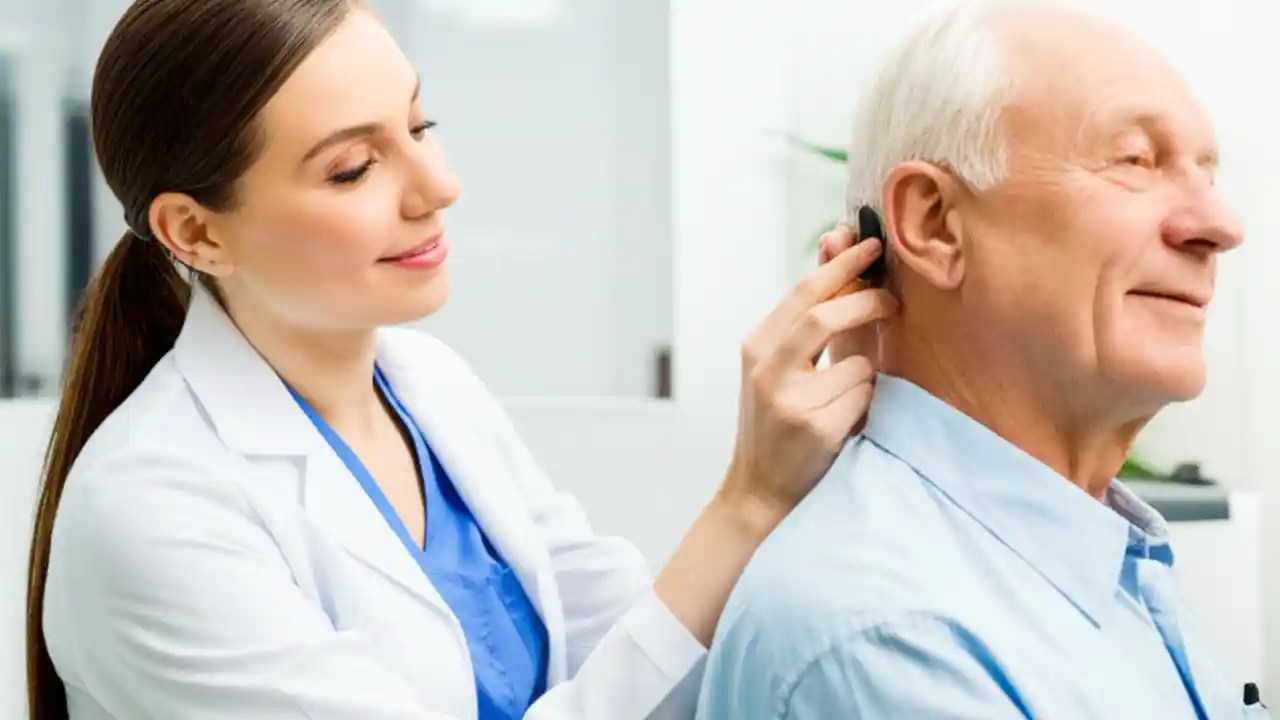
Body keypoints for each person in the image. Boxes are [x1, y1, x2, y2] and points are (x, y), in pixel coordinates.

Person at [24, 1, 897, 718]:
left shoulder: (430, 386)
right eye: (354, 168)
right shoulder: (151, 514)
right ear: (197, 231)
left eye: (420, 124)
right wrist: (749, 499)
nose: (440, 186)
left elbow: (635, 649)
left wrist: (839, 436)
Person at [697, 2, 1256, 719]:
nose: (1219, 226)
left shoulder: (1098, 565)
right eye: (1135, 160)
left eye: (1207, 175)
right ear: (934, 225)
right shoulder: (891, 635)